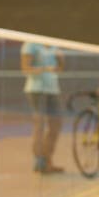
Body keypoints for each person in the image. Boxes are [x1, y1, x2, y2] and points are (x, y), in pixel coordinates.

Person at [20, 42, 65, 174]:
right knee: (40, 125)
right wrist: (45, 69)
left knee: (56, 125)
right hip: (36, 90)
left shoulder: (54, 45)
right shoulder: (30, 45)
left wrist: (61, 60)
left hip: (53, 89)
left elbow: (59, 69)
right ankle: (39, 161)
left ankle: (47, 159)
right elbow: (25, 69)